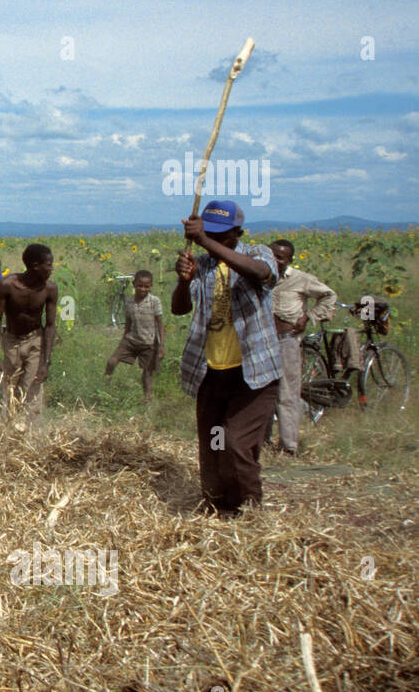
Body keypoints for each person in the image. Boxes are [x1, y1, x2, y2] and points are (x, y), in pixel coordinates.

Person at [172, 200, 281, 516]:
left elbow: (261, 274)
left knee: (236, 442)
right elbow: (180, 308)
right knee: (213, 444)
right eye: (210, 234)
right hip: (213, 372)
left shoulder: (259, 254)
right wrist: (184, 280)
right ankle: (219, 506)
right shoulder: (203, 266)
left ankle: (250, 507)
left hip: (254, 372)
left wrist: (204, 240)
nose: (216, 241)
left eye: (222, 236)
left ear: (239, 232)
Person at [268, 239, 337, 455]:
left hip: (288, 339)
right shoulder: (261, 277)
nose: (275, 261)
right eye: (272, 256)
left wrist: (309, 317)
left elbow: (329, 295)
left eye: (280, 257)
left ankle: (289, 446)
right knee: (261, 392)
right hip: (263, 342)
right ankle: (262, 440)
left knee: (287, 392)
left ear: (289, 260)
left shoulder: (300, 279)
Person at [0, 244, 58, 428]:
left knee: (33, 387)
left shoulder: (49, 289)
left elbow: (50, 325)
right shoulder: (7, 286)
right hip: (12, 340)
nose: (52, 269)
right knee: (10, 387)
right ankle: (7, 429)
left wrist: (46, 361)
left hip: (36, 338)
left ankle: (33, 434)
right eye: (49, 265)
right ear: (36, 266)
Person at [105, 270, 165, 399]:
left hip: (149, 344)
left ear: (151, 286)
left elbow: (160, 324)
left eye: (146, 286)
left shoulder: (154, 301)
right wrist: (122, 342)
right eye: (140, 285)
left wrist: (161, 346)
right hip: (131, 341)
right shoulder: (129, 303)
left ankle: (147, 401)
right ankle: (105, 387)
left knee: (147, 374)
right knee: (111, 361)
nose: (143, 289)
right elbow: (127, 325)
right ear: (134, 284)